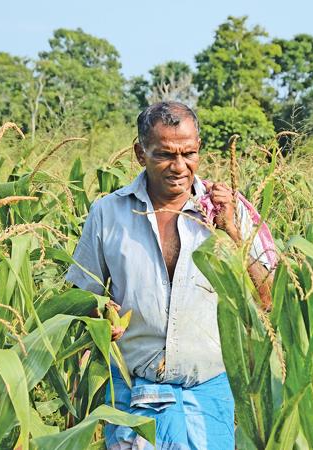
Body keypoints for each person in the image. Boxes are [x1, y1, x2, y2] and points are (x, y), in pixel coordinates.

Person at [65, 101, 275, 449]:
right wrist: (102, 316)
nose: (180, 167)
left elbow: (267, 298)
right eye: (164, 155)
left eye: (189, 153)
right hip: (134, 392)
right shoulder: (107, 213)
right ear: (139, 152)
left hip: (209, 391)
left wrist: (233, 234)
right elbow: (83, 298)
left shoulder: (227, 209)